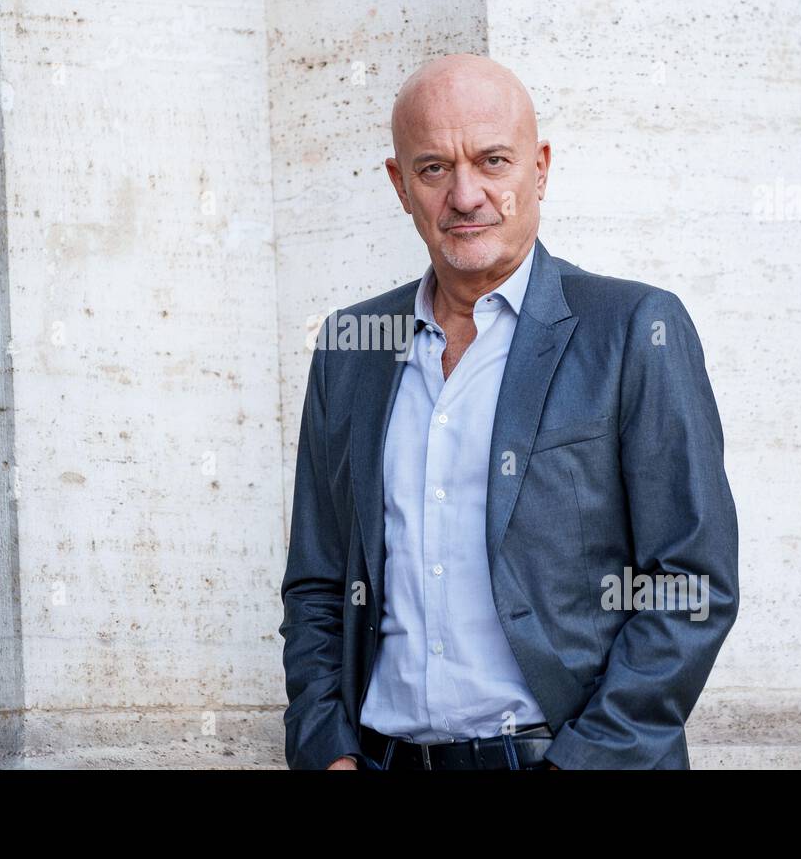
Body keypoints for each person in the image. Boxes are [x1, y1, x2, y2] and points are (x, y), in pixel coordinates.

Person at [279, 53, 739, 770]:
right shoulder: (351, 348)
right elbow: (318, 581)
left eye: (493, 161)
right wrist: (326, 751)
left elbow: (689, 585)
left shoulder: (633, 329)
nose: (466, 195)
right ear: (401, 185)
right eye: (434, 168)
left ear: (541, 168)